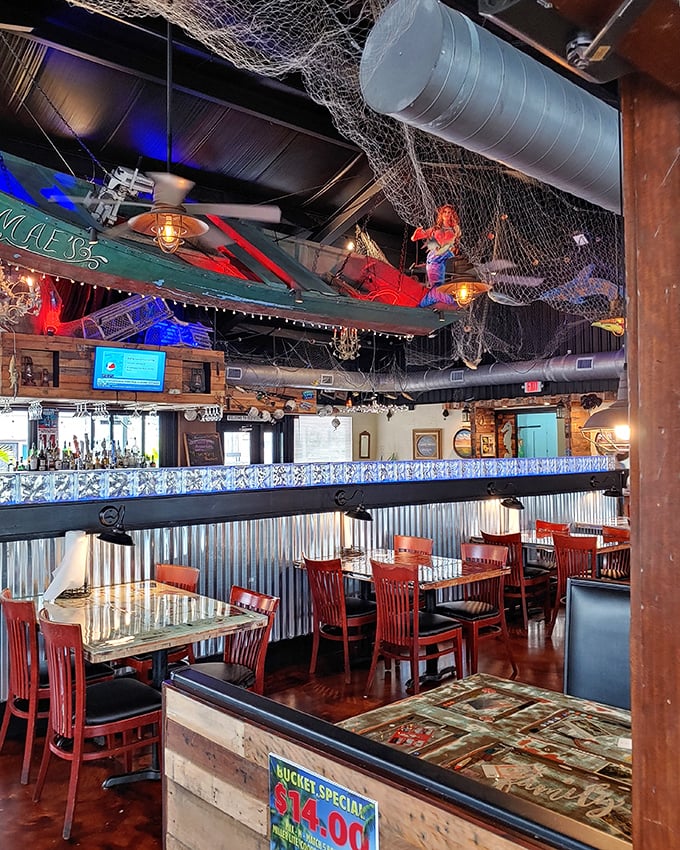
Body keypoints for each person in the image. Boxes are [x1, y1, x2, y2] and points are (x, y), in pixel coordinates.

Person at [411, 204, 462, 288]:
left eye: (449, 212)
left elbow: (457, 236)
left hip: (447, 254)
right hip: (435, 256)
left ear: (452, 215)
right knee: (436, 282)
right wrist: (416, 234)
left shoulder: (455, 228)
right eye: (445, 212)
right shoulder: (435, 229)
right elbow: (415, 238)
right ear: (441, 214)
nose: (447, 214)